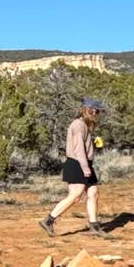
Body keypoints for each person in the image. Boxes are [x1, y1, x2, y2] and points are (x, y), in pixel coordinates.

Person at [41, 100, 105, 236]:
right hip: (77, 163)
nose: (97, 114)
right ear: (89, 110)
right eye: (96, 111)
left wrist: (93, 144)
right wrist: (85, 167)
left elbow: (83, 145)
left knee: (93, 192)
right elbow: (78, 149)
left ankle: (94, 227)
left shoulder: (85, 125)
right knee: (76, 194)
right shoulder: (78, 125)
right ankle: (49, 220)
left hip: (84, 162)